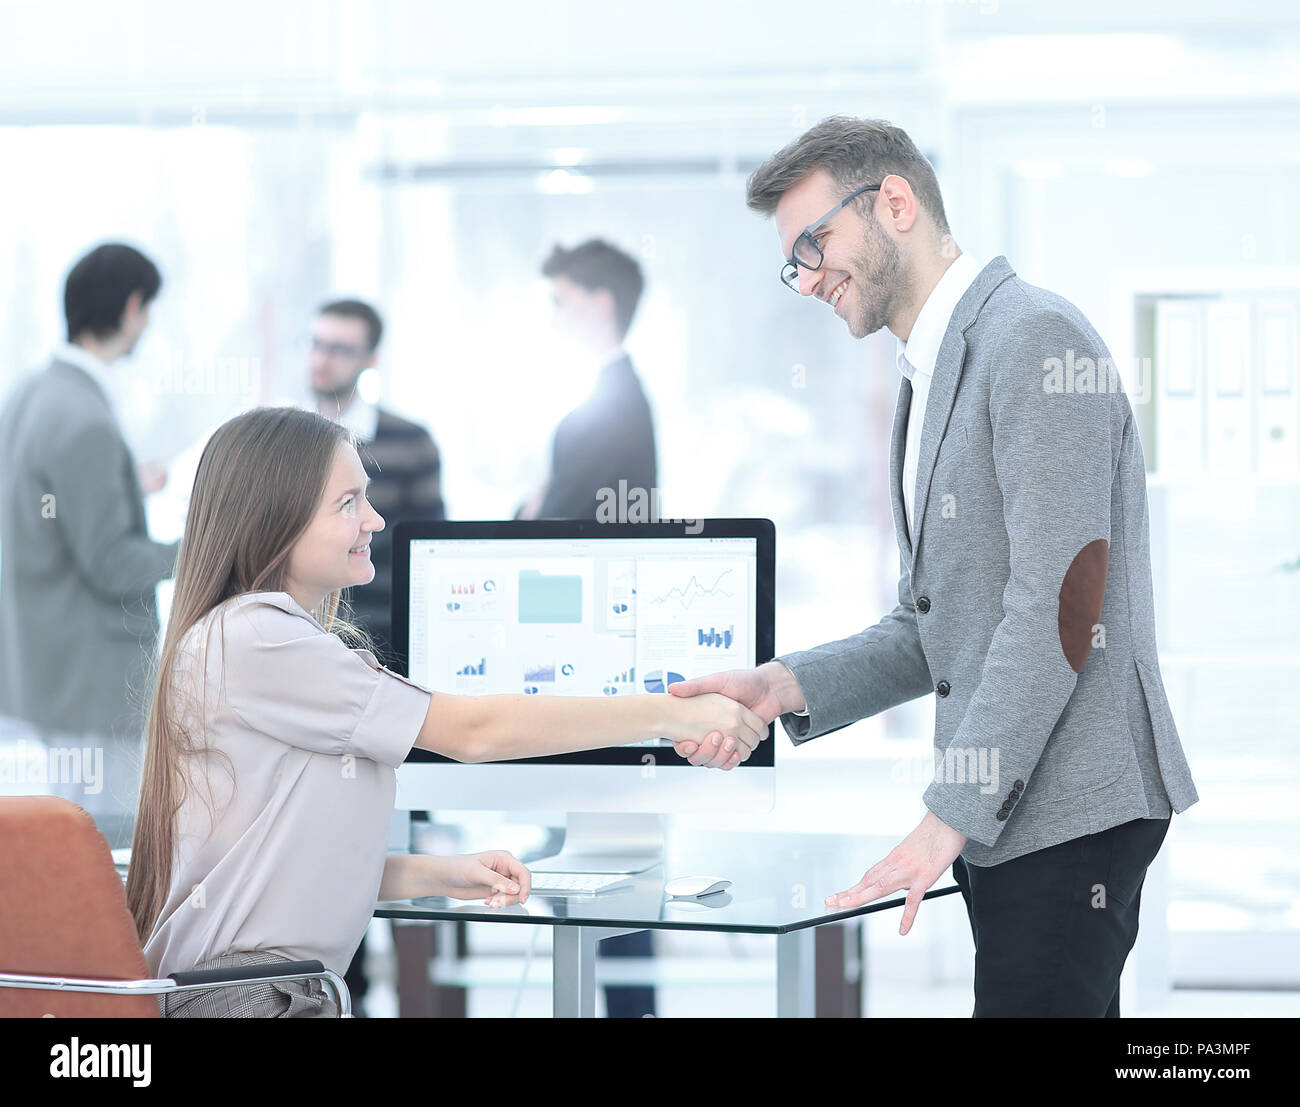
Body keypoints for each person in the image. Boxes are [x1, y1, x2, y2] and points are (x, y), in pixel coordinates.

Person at [670, 116, 1200, 1018]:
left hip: (1073, 807)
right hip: (1018, 811)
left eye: (815, 242)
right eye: (792, 259)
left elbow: (1061, 608)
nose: (805, 279)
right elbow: (935, 624)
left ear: (897, 204)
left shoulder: (1032, 339)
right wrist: (782, 684)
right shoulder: (930, 373)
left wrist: (945, 814)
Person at [127, 406, 760, 1017]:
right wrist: (672, 713)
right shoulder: (256, 637)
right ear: (274, 520)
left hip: (262, 992)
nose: (374, 520)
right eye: (347, 503)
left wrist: (438, 873)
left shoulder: (257, 638)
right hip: (250, 1000)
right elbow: (472, 731)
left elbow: (281, 869)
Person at [0, 242, 179, 850]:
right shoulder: (86, 419)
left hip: (43, 675)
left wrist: (128, 485)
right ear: (132, 306)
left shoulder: (29, 395)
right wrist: (205, 543)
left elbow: (50, 519)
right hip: (96, 690)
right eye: (148, 309)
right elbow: (111, 563)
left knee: (58, 862)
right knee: (110, 866)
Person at [310, 298, 445, 669]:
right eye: (317, 344)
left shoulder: (412, 442)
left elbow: (429, 549)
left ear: (370, 359)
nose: (322, 359)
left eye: (340, 349)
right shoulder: (281, 443)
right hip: (298, 630)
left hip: (384, 641)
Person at [517, 239, 656, 521]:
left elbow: (548, 525)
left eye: (561, 302)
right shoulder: (620, 398)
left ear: (601, 304)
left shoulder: (610, 412)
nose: (555, 319)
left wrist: (529, 510)